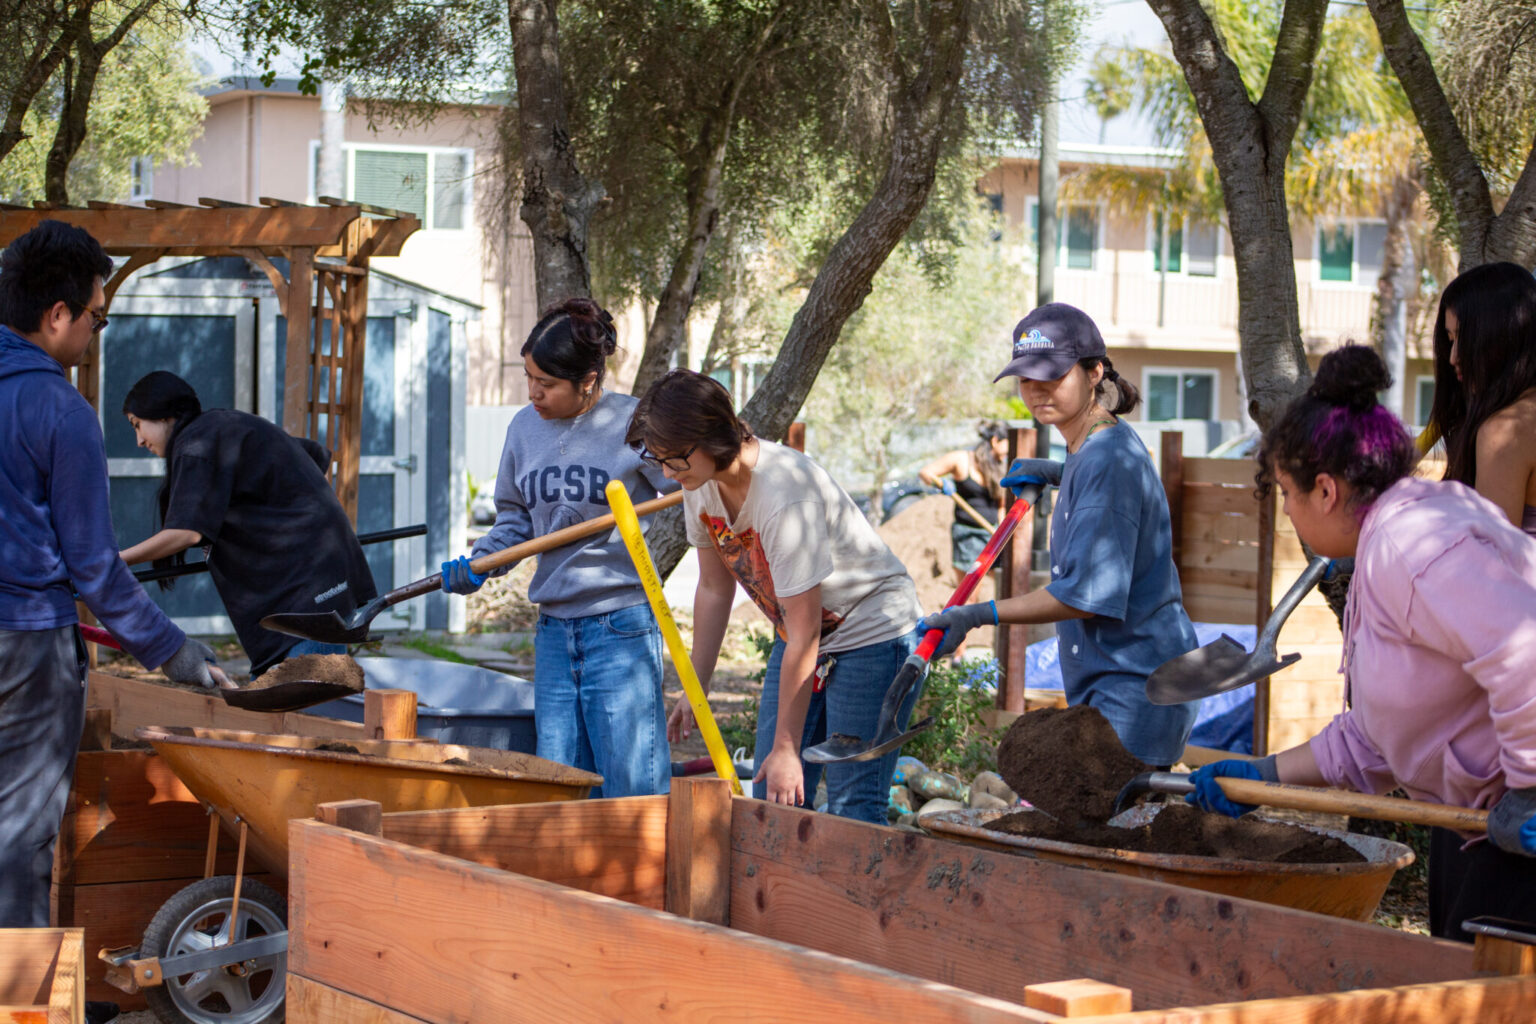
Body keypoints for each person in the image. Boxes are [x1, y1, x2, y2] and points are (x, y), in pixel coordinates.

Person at [1188, 344, 1536, 942]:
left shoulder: (1414, 544)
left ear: (1324, 491)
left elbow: (1524, 650)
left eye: (1286, 495)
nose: (1290, 514)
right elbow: (1375, 737)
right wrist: (1259, 774)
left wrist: (1532, 790)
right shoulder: (1389, 540)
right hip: (1487, 827)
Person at [0, 222, 223, 931]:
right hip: (27, 650)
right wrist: (174, 651)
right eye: (97, 315)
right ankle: (20, 1001)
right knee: (18, 833)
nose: (97, 329)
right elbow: (94, 567)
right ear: (57, 315)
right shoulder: (61, 411)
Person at [625, 369, 924, 825]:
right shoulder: (698, 483)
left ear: (711, 436)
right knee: (770, 794)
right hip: (802, 630)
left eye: (675, 459)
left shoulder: (784, 493)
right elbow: (713, 585)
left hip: (871, 633)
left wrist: (789, 746)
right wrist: (697, 684)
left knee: (851, 808)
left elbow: (804, 634)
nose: (667, 472)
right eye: (659, 459)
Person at [917, 303, 1198, 767]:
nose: (1037, 389)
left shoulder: (1104, 459)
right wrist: (1059, 473)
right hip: (1120, 675)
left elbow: (1084, 596)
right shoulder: (1094, 444)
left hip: (1137, 685)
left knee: (1103, 826)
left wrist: (977, 614)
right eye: (1027, 378)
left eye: (1053, 374)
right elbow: (1101, 481)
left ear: (1094, 372)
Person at [442, 298, 676, 797]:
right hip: (553, 629)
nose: (533, 394)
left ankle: (651, 876)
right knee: (560, 783)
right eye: (529, 378)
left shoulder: (634, 425)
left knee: (632, 786)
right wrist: (482, 562)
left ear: (588, 379)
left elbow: (686, 487)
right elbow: (515, 518)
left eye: (545, 383)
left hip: (621, 627)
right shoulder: (524, 430)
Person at [117, 371, 378, 679]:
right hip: (318, 586)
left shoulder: (197, 442)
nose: (139, 440)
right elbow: (313, 456)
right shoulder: (222, 427)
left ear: (162, 413)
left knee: (300, 718)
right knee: (286, 711)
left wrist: (114, 560)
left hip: (304, 600)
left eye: (138, 425)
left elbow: (186, 532)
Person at [1423, 262, 1536, 535]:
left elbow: (1491, 565)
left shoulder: (1505, 430)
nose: (1453, 357)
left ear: (1502, 335)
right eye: (1450, 340)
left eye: (1463, 337)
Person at [918, 420, 1007, 579]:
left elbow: (1002, 506)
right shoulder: (961, 459)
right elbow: (926, 472)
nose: (1008, 451)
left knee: (1004, 584)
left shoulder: (1001, 468)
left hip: (991, 533)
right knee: (969, 592)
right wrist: (939, 483)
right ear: (995, 441)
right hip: (968, 535)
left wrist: (1002, 532)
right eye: (1008, 443)